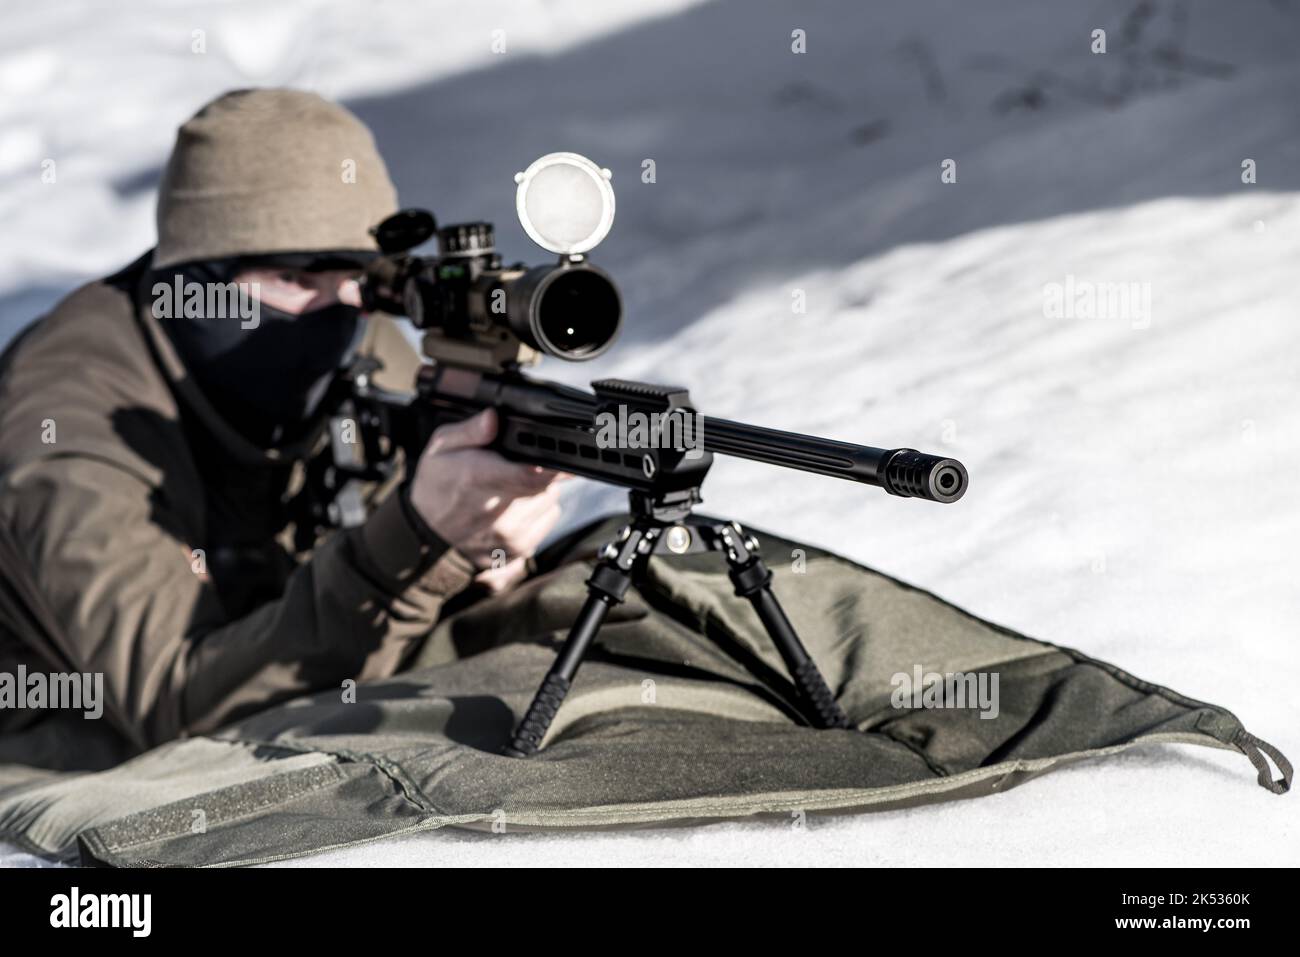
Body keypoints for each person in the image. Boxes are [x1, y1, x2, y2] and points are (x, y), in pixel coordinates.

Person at [0, 88, 564, 769]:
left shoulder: (363, 340)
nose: (334, 312)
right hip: (69, 751)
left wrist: (483, 557)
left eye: (356, 278)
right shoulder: (67, 412)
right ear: (191, 281)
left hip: (285, 691)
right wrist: (416, 541)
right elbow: (173, 707)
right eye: (293, 277)